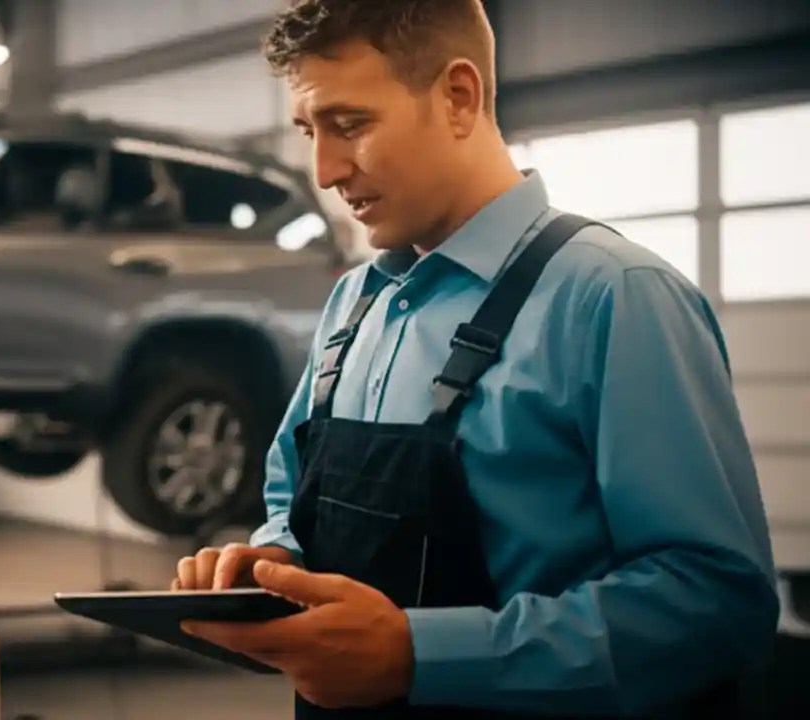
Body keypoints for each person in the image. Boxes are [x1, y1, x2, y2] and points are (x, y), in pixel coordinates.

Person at [173, 1, 779, 717]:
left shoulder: (613, 299)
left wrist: (418, 654)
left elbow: (714, 599)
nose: (326, 170)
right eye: (310, 131)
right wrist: (275, 563)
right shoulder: (353, 306)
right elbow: (290, 497)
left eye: (350, 124)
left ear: (459, 97)